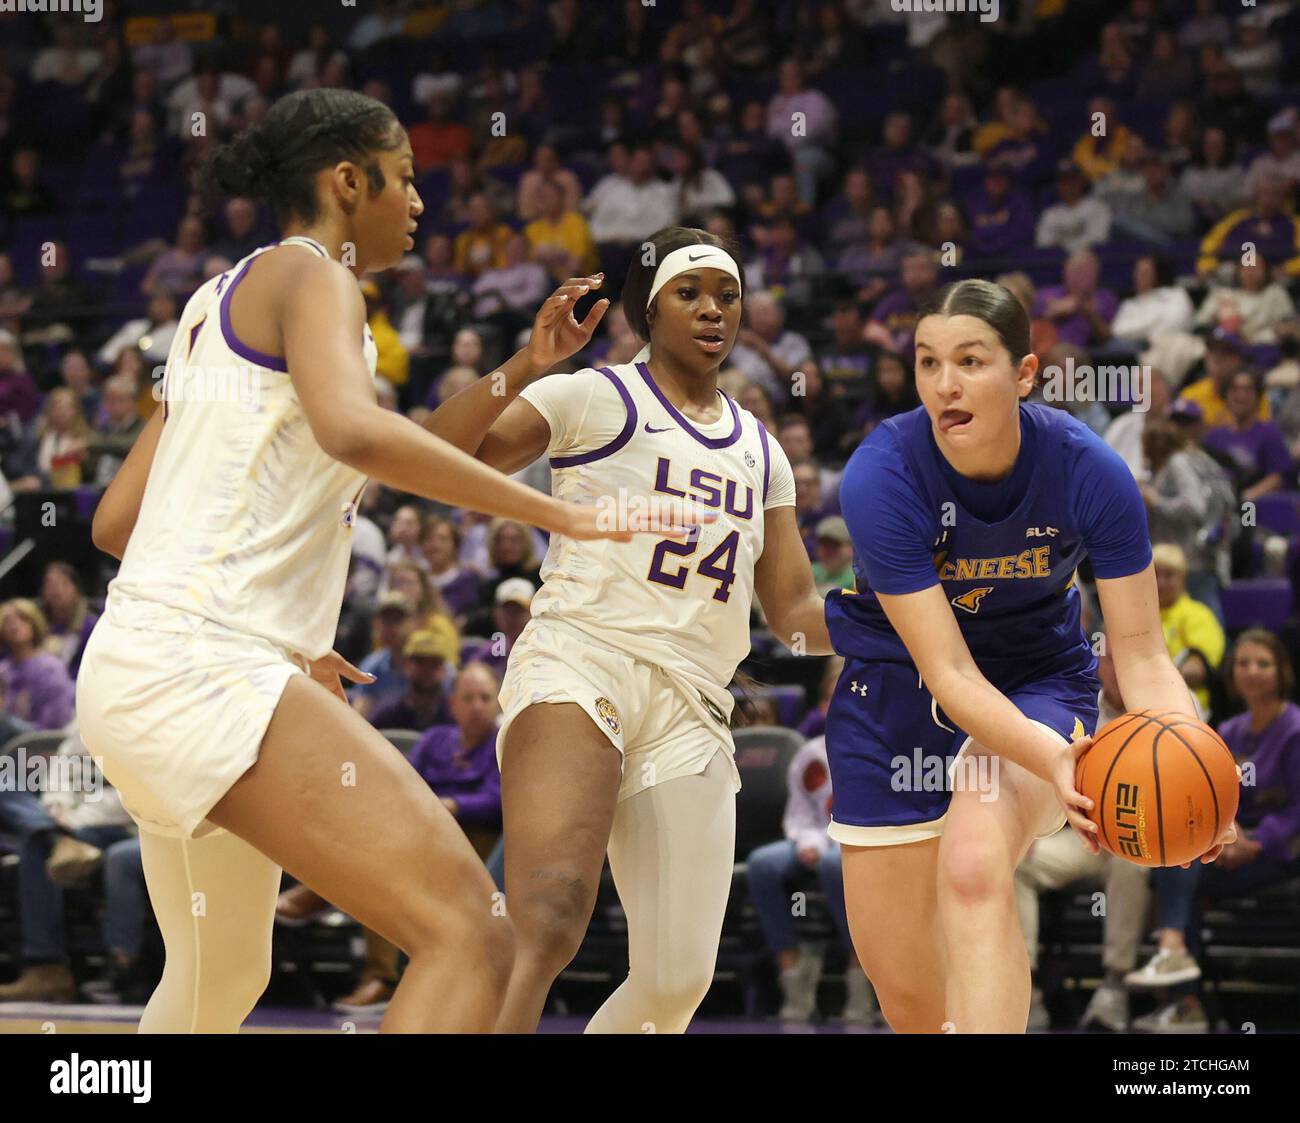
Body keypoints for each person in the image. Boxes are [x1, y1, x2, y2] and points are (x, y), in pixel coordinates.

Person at [74, 89, 685, 1035]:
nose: (418, 202)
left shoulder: (213, 305)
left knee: (217, 977)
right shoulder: (313, 276)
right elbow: (363, 434)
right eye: (403, 179)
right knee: (471, 936)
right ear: (346, 180)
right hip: (205, 669)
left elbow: (119, 521)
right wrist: (558, 510)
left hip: (134, 671)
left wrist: (520, 370)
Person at [423, 225, 832, 1033]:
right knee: (550, 911)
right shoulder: (595, 395)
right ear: (649, 308)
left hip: (693, 699)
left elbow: (792, 616)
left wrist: (906, 613)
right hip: (583, 660)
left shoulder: (762, 448)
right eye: (690, 293)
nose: (713, 309)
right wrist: (527, 365)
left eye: (728, 294)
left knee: (677, 980)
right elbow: (435, 453)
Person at [825, 279, 1234, 1034]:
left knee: (977, 866)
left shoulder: (1089, 470)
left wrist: (1200, 764)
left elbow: (1141, 654)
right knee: (910, 998)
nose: (944, 384)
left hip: (1037, 682)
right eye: (927, 362)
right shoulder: (882, 474)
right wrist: (1052, 758)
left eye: (971, 361)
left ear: (1023, 373)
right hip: (895, 690)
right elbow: (946, 673)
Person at [1127, 630, 1300, 1033]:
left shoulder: (1294, 728)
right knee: (1181, 856)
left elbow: (1297, 811)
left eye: (1263, 663)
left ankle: (1182, 987)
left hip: (1283, 848)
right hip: (1235, 842)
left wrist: (1256, 842)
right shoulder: (1231, 730)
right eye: (1243, 663)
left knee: (1181, 869)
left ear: (1281, 672)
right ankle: (1182, 988)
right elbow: (1215, 794)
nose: (1251, 671)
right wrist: (1226, 829)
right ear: (1231, 672)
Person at [745, 733, 877, 1025]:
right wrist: (809, 842)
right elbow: (800, 814)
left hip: (863, 840)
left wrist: (830, 844)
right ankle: (793, 970)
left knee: (832, 865)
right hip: (815, 837)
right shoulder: (811, 754)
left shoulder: (879, 743)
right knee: (763, 864)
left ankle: (861, 968)